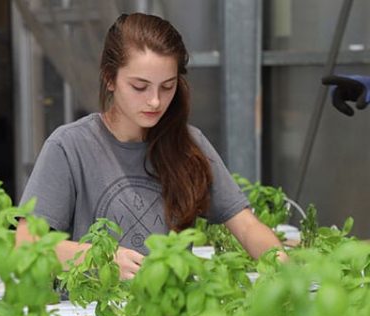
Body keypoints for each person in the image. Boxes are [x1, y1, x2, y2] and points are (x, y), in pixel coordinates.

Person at [16, 13, 284, 279]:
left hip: (170, 313)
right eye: (139, 86)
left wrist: (290, 274)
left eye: (167, 87)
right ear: (110, 79)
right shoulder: (69, 146)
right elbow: (27, 247)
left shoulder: (189, 144)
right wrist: (101, 258)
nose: (155, 101)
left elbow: (247, 227)